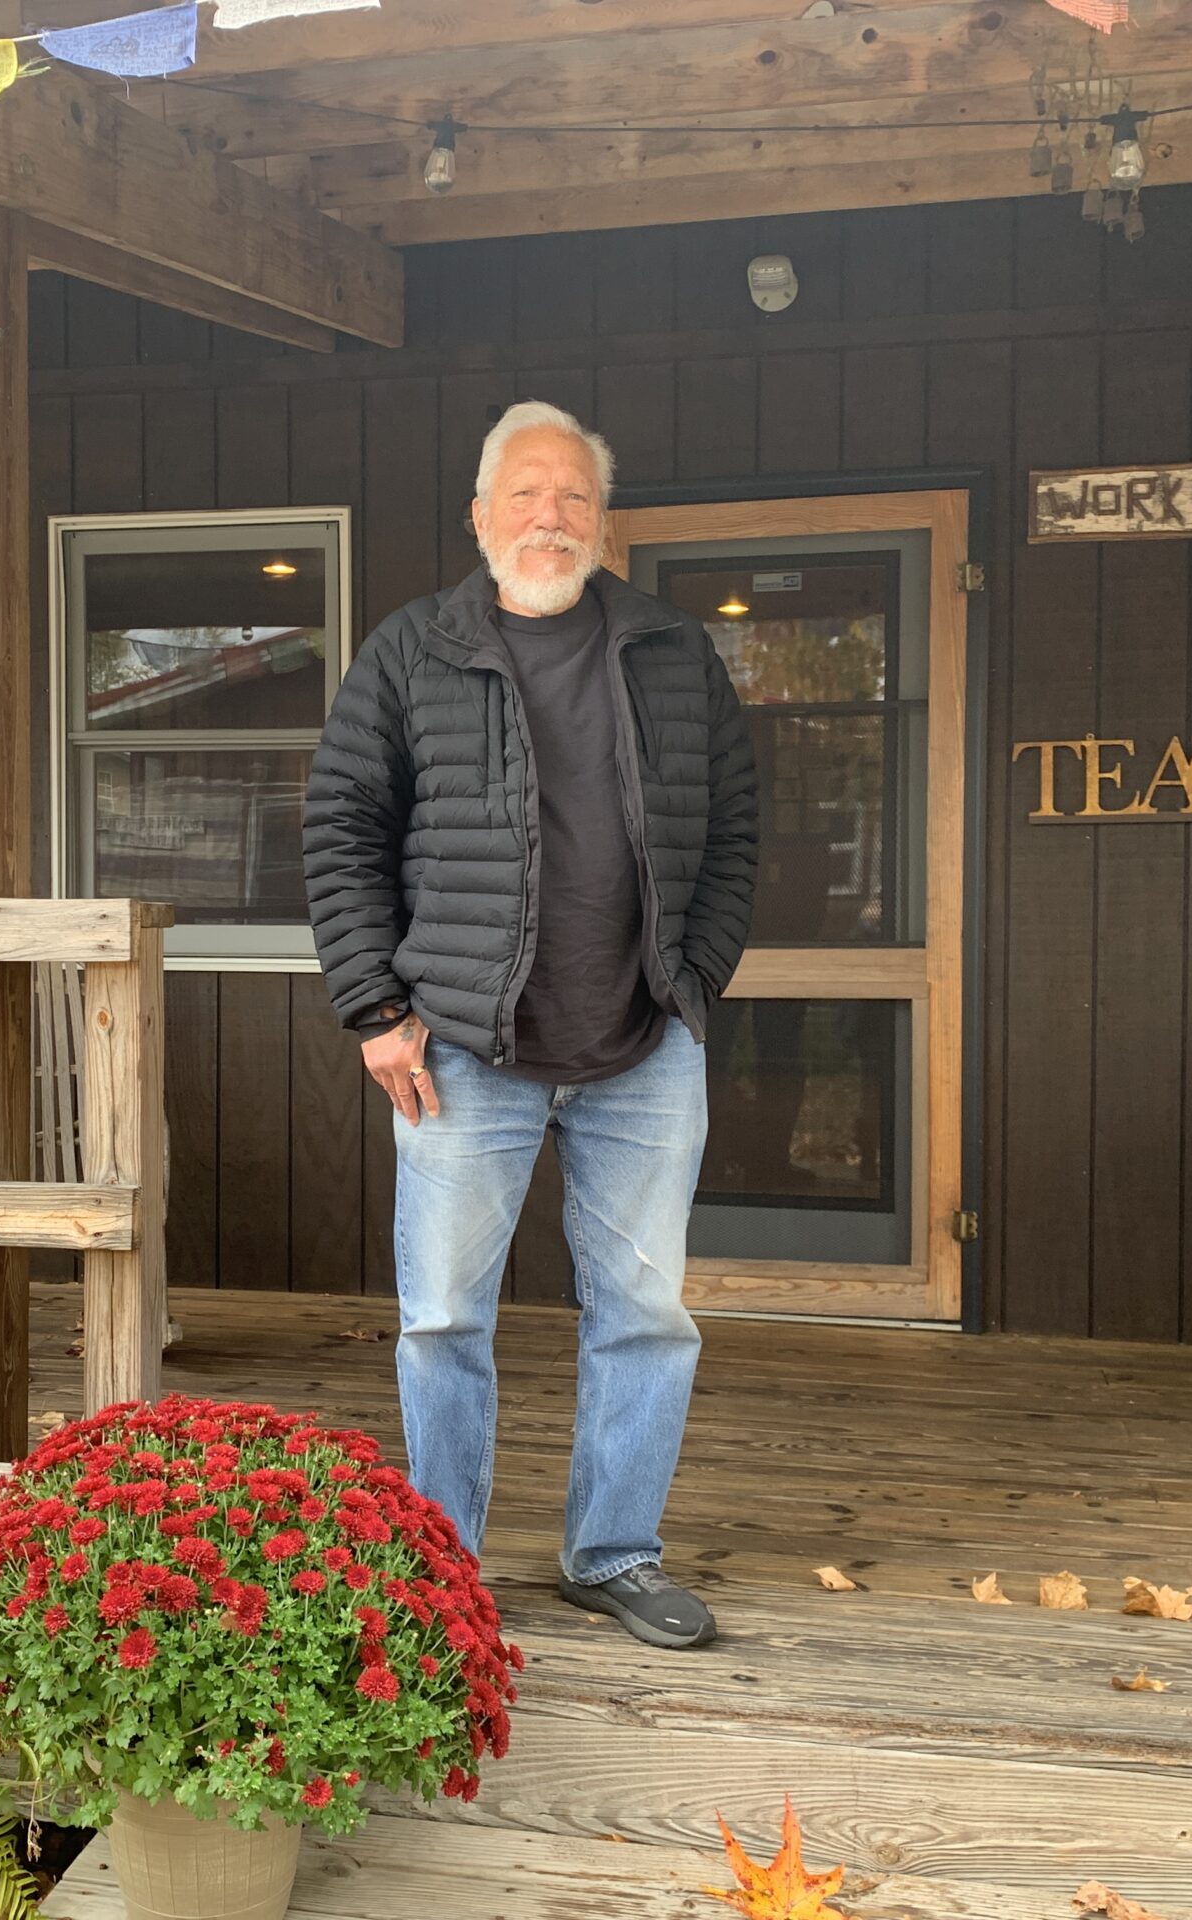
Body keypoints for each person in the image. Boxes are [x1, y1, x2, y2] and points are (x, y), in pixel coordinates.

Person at [301, 399, 759, 1650]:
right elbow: (340, 829)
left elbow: (734, 834)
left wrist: (694, 980)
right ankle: (439, 1565)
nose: (547, 516)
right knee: (444, 1315)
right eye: (525, 494)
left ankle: (612, 1554)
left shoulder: (673, 651)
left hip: (643, 1042)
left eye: (571, 496)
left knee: (647, 1315)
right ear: (481, 515)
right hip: (456, 1046)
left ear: (602, 521)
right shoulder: (411, 652)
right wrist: (375, 1008)